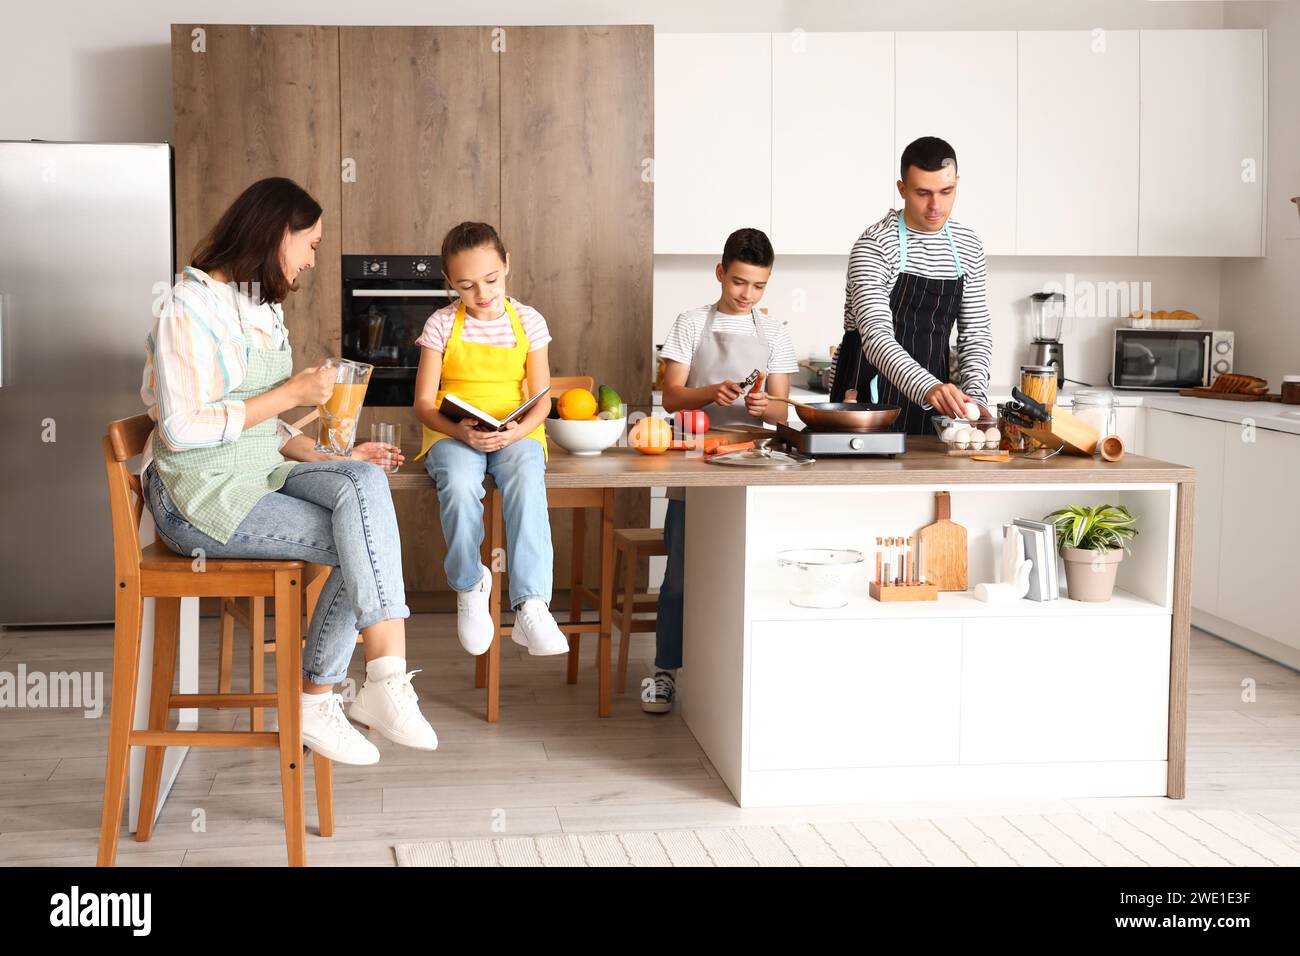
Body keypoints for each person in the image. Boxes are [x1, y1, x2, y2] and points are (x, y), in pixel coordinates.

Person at [141, 177, 437, 766]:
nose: (311, 259)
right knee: (363, 541)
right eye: (312, 244)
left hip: (257, 473)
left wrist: (330, 455)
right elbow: (181, 429)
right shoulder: (187, 308)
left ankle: (381, 681)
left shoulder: (259, 306)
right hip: (194, 494)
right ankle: (323, 698)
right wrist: (292, 392)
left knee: (365, 485)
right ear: (280, 234)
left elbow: (258, 424)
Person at [646, 227, 798, 713]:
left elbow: (784, 408)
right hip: (695, 456)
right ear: (720, 273)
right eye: (738, 282)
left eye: (757, 286)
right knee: (680, 576)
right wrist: (712, 391)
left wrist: (763, 404)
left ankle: (736, 674)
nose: (746, 294)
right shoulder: (690, 323)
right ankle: (665, 670)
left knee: (751, 572)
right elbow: (670, 396)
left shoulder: (774, 332)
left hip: (756, 458)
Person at [413, 222, 569, 658]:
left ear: (507, 265)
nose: (481, 293)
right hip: (453, 432)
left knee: (525, 479)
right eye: (466, 285)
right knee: (461, 484)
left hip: (515, 431)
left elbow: (541, 398)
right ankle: (470, 584)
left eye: (491, 280)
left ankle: (531, 604)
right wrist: (461, 430)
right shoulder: (441, 324)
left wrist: (519, 430)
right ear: (450, 284)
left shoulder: (530, 321)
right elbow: (424, 403)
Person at [829, 136, 992, 432]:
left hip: (935, 405)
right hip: (865, 402)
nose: (935, 205)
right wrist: (929, 389)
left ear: (957, 183)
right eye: (922, 193)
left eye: (946, 191)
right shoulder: (875, 246)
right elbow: (876, 338)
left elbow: (976, 333)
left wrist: (976, 398)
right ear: (902, 189)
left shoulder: (969, 246)